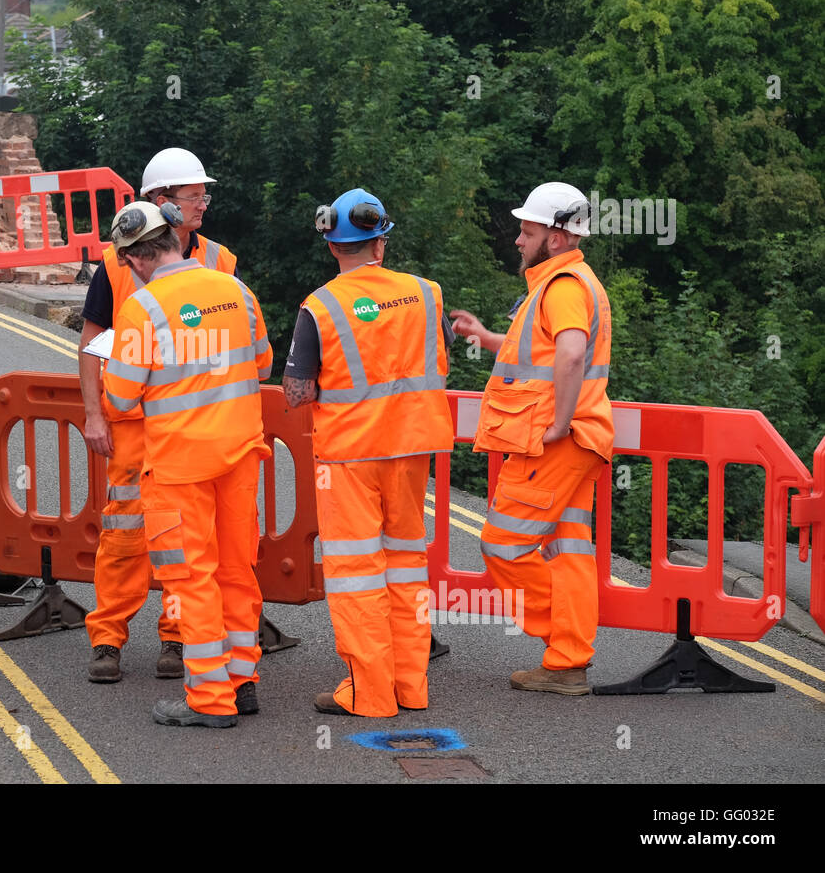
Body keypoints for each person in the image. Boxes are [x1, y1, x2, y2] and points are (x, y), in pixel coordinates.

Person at [282, 188, 454, 717]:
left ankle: (370, 694)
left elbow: (297, 391)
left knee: (356, 573)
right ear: (380, 242)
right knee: (405, 565)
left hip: (350, 457)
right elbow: (440, 358)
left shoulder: (321, 305)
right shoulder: (427, 293)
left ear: (334, 246)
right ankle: (410, 687)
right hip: (412, 447)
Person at [101, 200, 273, 727]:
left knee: (191, 579)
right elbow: (263, 361)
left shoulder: (143, 307)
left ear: (134, 258)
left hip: (179, 467)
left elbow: (121, 398)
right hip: (241, 456)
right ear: (174, 240)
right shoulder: (236, 290)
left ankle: (209, 699)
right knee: (237, 571)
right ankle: (241, 681)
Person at [78, 147, 239, 684]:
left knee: (191, 538)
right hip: (132, 426)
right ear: (160, 203)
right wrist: (93, 416)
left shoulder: (221, 262)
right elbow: (90, 342)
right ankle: (108, 638)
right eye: (194, 196)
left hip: (188, 428)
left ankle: (178, 637)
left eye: (202, 195)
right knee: (124, 531)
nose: (203, 205)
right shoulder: (116, 259)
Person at [449, 181, 613, 695]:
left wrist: (559, 423)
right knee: (568, 552)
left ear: (558, 238)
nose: (518, 240)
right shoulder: (565, 283)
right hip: (580, 440)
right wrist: (485, 337)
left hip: (557, 441)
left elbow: (569, 354)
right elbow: (542, 352)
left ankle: (563, 648)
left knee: (502, 545)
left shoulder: (563, 286)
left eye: (528, 231)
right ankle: (567, 661)